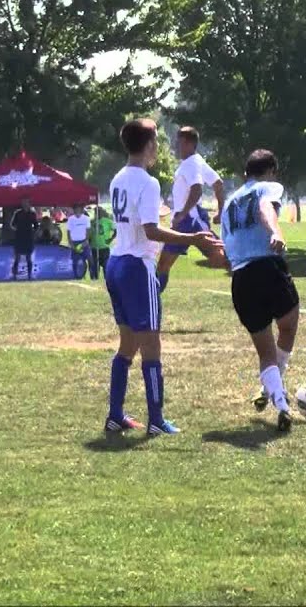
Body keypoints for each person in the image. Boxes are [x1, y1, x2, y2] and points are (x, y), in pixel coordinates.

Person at [103, 118, 220, 436]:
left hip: (114, 263)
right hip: (136, 267)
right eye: (156, 140)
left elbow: (135, 221)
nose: (159, 146)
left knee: (127, 344)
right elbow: (151, 230)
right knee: (151, 346)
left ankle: (115, 415)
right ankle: (156, 421)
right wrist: (193, 239)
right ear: (149, 145)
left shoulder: (117, 178)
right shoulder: (148, 182)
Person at [221, 149, 299, 432]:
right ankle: (274, 387)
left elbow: (226, 244)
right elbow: (265, 207)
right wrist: (275, 232)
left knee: (264, 350)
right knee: (288, 325)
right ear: (272, 171)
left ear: (245, 174)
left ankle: (278, 400)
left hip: (241, 278)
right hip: (267, 266)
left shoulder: (229, 201)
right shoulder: (269, 186)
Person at [156, 126, 227, 292]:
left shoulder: (190, 164)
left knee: (164, 265)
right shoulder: (197, 161)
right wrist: (220, 211)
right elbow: (218, 184)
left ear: (189, 143)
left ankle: (150, 302)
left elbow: (197, 189)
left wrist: (182, 214)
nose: (176, 146)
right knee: (219, 257)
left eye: (179, 142)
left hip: (189, 220)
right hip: (191, 218)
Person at [10, 197, 37, 280]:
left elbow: (36, 225)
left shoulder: (32, 213)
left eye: (27, 202)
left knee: (29, 257)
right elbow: (12, 224)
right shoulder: (17, 213)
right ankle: (14, 276)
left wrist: (33, 232)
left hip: (28, 238)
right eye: (24, 202)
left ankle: (29, 275)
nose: (25, 204)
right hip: (19, 237)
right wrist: (17, 230)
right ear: (22, 204)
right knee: (17, 257)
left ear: (29, 204)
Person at [89, 206, 115, 280]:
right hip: (94, 247)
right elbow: (89, 234)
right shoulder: (92, 222)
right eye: (96, 212)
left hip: (104, 247)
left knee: (106, 265)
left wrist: (110, 239)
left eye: (99, 212)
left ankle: (107, 278)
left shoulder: (108, 221)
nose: (97, 214)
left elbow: (116, 231)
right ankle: (94, 278)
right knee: (94, 265)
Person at [66, 204, 92, 277]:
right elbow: (68, 232)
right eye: (75, 209)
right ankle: (76, 276)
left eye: (78, 209)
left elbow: (88, 230)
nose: (77, 211)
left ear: (81, 210)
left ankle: (93, 276)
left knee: (90, 259)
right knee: (75, 261)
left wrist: (86, 240)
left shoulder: (86, 218)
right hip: (74, 242)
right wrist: (71, 243)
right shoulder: (70, 219)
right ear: (74, 210)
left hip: (84, 242)